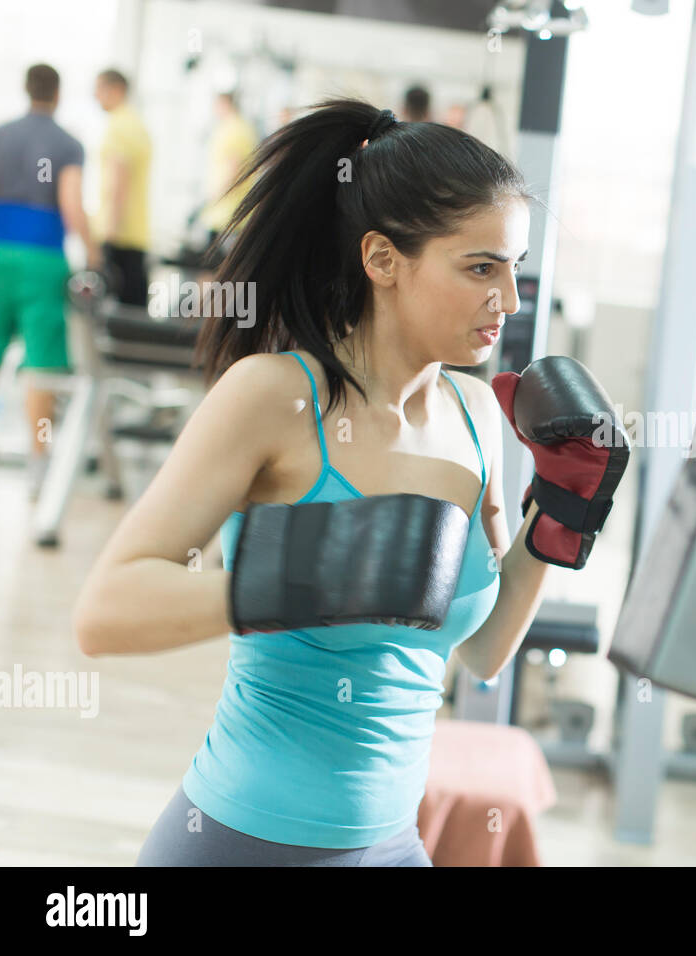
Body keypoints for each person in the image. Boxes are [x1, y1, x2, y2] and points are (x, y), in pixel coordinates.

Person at [71, 100, 623, 866]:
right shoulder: (271, 397)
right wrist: (308, 572)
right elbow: (105, 612)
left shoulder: (473, 412)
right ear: (383, 259)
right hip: (242, 843)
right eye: (480, 267)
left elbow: (484, 649)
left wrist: (558, 514)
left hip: (392, 846)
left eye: (515, 268)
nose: (511, 299)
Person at [0, 63, 100, 500]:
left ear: (25, 89)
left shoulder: (1, 135)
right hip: (42, 260)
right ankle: (39, 467)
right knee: (41, 367)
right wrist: (95, 256)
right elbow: (72, 207)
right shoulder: (67, 144)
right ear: (56, 94)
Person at [93, 69, 151, 307]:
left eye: (98, 89)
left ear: (116, 90)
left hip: (118, 235)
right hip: (134, 234)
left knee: (117, 320)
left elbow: (118, 182)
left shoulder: (119, 126)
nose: (95, 95)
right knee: (132, 314)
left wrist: (108, 234)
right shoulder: (135, 124)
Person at [200, 91, 257, 251]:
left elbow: (235, 168)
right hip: (222, 212)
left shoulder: (235, 130)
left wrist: (217, 195)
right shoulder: (230, 128)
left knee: (216, 268)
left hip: (227, 212)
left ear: (225, 104)